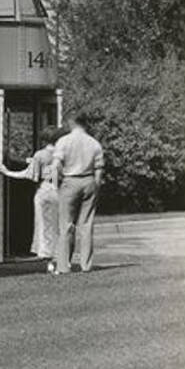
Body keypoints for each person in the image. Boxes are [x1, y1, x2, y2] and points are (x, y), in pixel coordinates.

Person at [0, 126, 63, 269]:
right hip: (58, 190)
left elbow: (29, 174)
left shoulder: (40, 155)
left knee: (43, 224)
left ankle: (48, 258)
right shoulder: (61, 154)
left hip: (44, 189)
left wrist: (7, 172)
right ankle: (60, 256)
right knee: (56, 225)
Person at [52, 112, 104, 275]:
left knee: (66, 225)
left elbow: (56, 166)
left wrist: (56, 183)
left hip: (70, 180)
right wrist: (96, 186)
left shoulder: (64, 141)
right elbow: (99, 169)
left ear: (71, 122)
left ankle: (64, 265)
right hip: (89, 180)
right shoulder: (94, 143)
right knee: (87, 224)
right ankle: (86, 264)